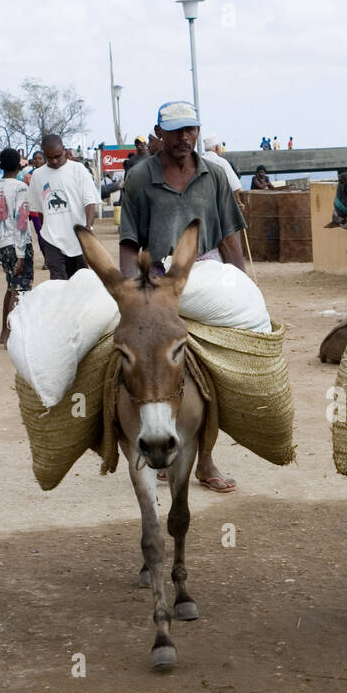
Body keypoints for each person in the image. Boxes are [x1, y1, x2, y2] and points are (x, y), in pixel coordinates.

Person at [119, 99, 248, 494]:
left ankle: (205, 460)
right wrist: (130, 296)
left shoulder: (214, 175)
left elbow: (229, 234)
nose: (184, 138)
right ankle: (157, 449)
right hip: (157, 282)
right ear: (159, 133)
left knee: (216, 375)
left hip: (209, 281)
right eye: (175, 131)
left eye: (190, 130)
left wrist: (242, 284)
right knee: (155, 374)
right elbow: (128, 242)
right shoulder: (140, 178)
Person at [27, 133, 98, 280]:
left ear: (65, 150)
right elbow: (40, 211)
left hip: (78, 238)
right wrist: (43, 235)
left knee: (81, 280)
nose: (53, 161)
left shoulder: (78, 170)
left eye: (57, 156)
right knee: (58, 282)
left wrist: (88, 227)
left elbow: (90, 201)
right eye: (49, 157)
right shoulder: (38, 175)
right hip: (52, 239)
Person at [0, 148, 32, 345]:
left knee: (11, 287)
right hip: (17, 243)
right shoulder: (21, 188)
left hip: (2, 244)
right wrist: (22, 255)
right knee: (20, 289)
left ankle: (4, 333)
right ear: (18, 165)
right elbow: (22, 221)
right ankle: (12, 335)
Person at [202, 135, 245, 215]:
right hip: (220, 210)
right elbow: (236, 187)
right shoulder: (221, 162)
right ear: (217, 148)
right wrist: (240, 203)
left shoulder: (199, 162)